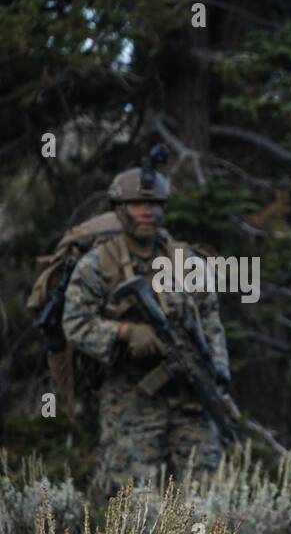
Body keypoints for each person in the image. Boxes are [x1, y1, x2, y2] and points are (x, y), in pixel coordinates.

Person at [61, 163, 232, 492]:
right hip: (131, 396)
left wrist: (217, 375)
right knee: (133, 499)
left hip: (191, 397)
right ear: (120, 210)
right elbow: (76, 323)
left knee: (206, 495)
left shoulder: (188, 263)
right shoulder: (98, 265)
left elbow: (211, 324)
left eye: (155, 205)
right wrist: (125, 333)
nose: (148, 213)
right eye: (139, 205)